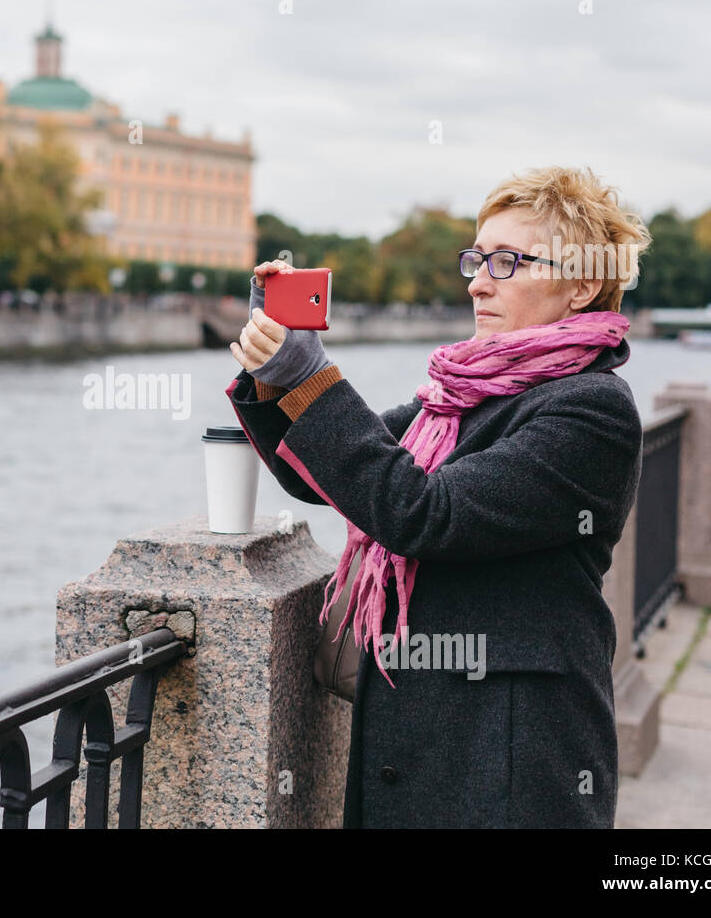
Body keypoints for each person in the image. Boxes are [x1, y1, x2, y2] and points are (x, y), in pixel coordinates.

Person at [225, 165, 652, 828]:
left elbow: (425, 514)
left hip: (511, 762)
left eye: (509, 262)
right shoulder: (458, 399)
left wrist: (313, 380)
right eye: (478, 259)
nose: (479, 280)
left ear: (584, 285)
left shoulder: (592, 410)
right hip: (420, 746)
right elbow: (319, 477)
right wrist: (273, 377)